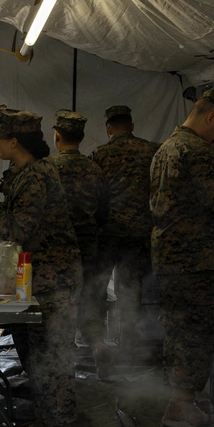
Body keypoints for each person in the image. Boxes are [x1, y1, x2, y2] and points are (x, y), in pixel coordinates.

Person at [0, 111, 81, 427]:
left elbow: (19, 227)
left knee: (51, 355)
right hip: (33, 277)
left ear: (15, 142)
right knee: (33, 354)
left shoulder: (37, 175)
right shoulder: (21, 174)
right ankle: (46, 420)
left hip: (54, 278)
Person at [150, 90, 214, 427]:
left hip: (169, 255)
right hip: (195, 258)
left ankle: (179, 402)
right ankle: (182, 407)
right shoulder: (196, 150)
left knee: (179, 329)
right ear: (211, 117)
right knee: (201, 331)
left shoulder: (165, 148)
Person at [91, 105, 159, 368]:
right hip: (139, 234)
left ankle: (99, 344)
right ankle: (130, 348)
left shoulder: (100, 154)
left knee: (97, 289)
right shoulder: (152, 151)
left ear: (108, 128)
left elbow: (94, 194)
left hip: (107, 233)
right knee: (130, 290)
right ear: (132, 126)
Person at [50, 110, 108, 348]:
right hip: (87, 242)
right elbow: (104, 212)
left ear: (57, 135)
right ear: (82, 137)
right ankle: (97, 344)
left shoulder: (47, 168)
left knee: (59, 297)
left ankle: (63, 348)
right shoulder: (93, 168)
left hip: (56, 244)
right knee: (88, 296)